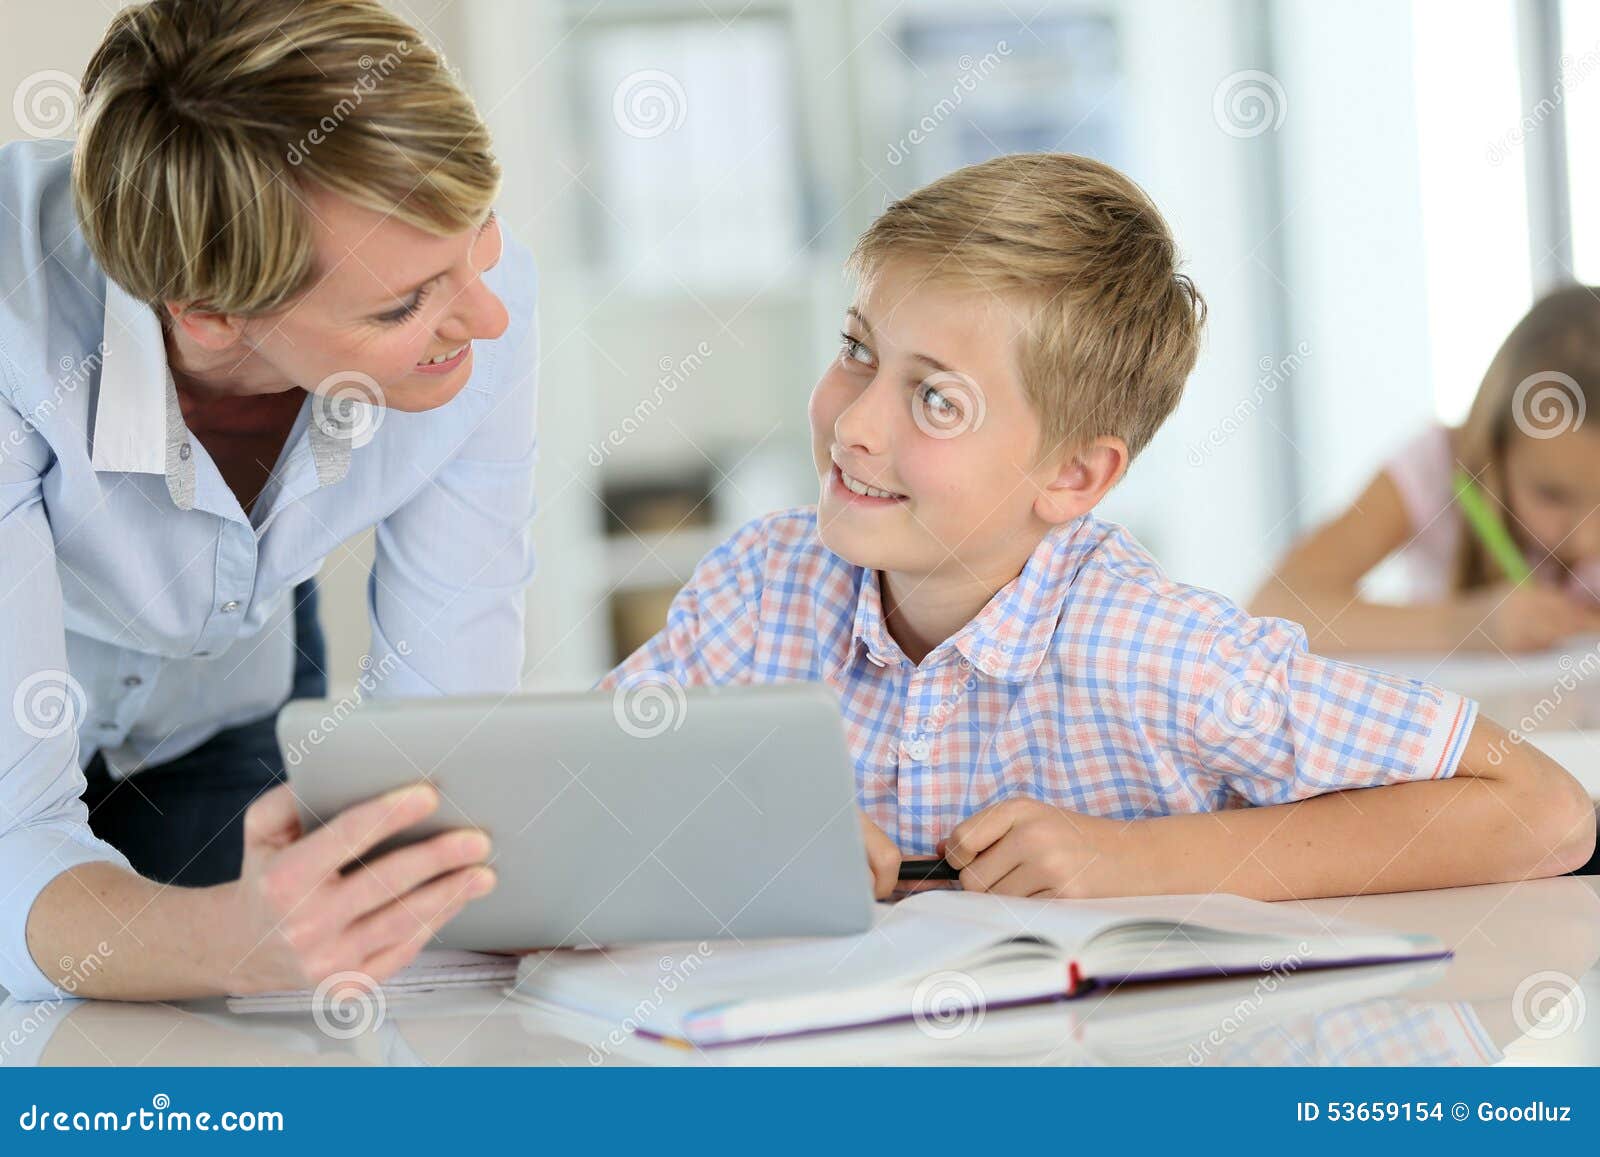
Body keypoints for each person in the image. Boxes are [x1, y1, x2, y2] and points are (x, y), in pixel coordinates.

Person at [601, 153, 1595, 902]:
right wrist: (724, 834)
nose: (853, 425)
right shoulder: (760, 587)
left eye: (935, 400)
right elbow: (557, 801)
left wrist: (1142, 857)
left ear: (1075, 474)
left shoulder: (1163, 653)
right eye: (858, 350)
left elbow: (1545, 812)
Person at [1, 0, 537, 1001]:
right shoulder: (12, 327)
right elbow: (9, 840)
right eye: (399, 304)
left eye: (480, 238)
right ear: (206, 315)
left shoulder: (468, 301)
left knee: (259, 1016)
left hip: (219, 703)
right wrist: (227, 943)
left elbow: (446, 740)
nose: (487, 312)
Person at [1250, 285, 1600, 654]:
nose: (1587, 538)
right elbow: (1271, 610)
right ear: (1493, 449)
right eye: (1552, 494)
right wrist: (1468, 627)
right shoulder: (1434, 467)